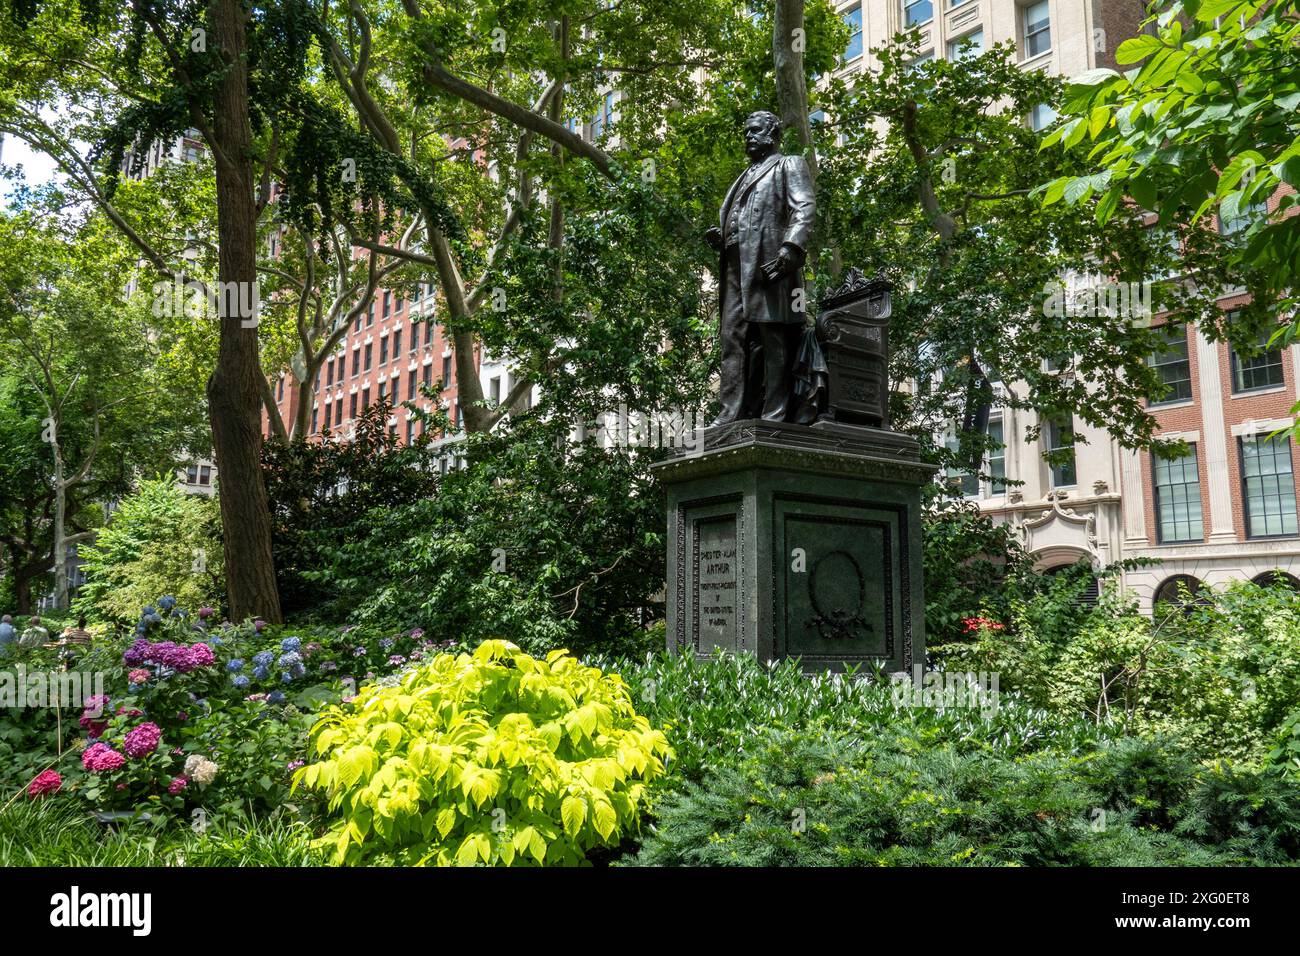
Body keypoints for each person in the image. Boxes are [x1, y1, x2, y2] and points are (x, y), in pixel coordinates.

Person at [705, 110, 816, 425]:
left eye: (755, 131)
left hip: (770, 265)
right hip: (736, 266)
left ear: (772, 134)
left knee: (773, 335)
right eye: (746, 133)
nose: (748, 137)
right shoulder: (743, 176)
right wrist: (723, 235)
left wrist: (791, 247)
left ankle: (775, 412)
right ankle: (731, 411)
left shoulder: (788, 164)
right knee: (733, 337)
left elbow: (804, 207)